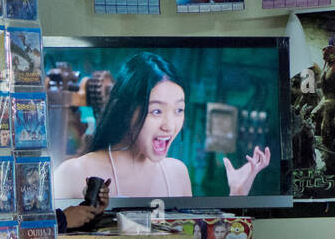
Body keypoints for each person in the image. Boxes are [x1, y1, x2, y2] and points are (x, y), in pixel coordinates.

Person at [52, 53, 271, 201]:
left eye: (179, 110)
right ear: (126, 110)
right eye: (156, 111)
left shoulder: (177, 173)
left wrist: (237, 194)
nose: (170, 125)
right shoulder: (73, 174)